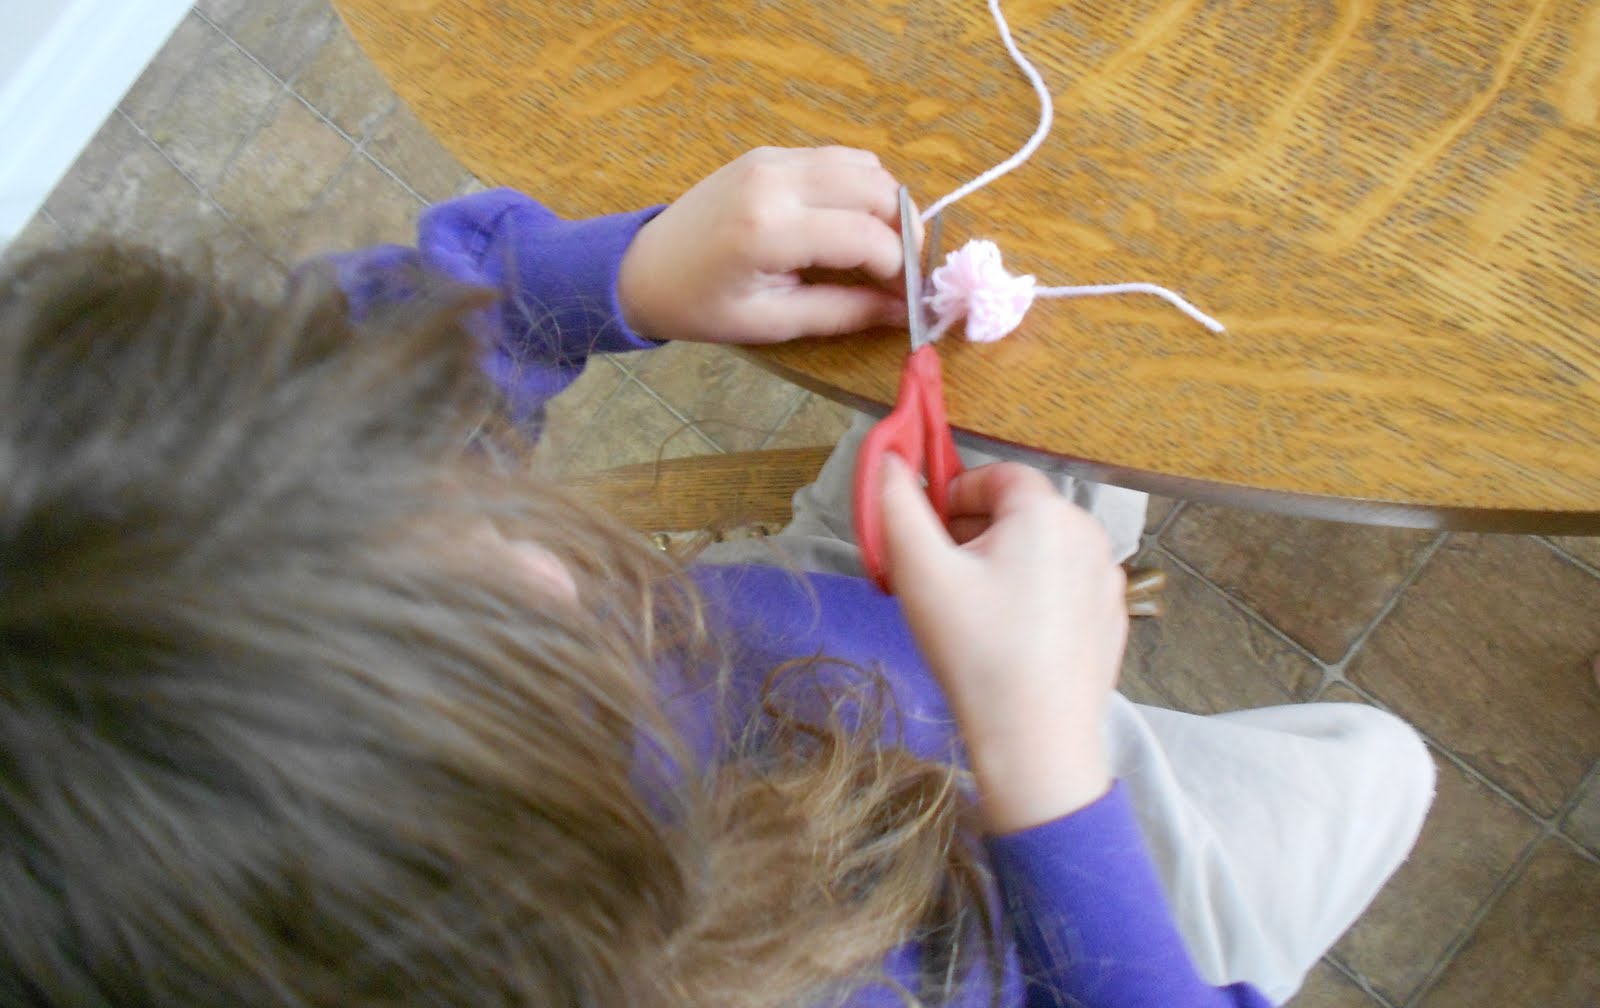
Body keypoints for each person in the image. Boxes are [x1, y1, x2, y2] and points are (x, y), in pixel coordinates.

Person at [0, 146, 1432, 1007]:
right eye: (490, 651)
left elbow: (355, 347)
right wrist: (1051, 778)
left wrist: (601, 280)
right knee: (1380, 764)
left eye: (410, 478)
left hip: (825, 651)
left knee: (1073, 376)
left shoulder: (158, 534)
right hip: (1023, 898)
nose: (551, 567)